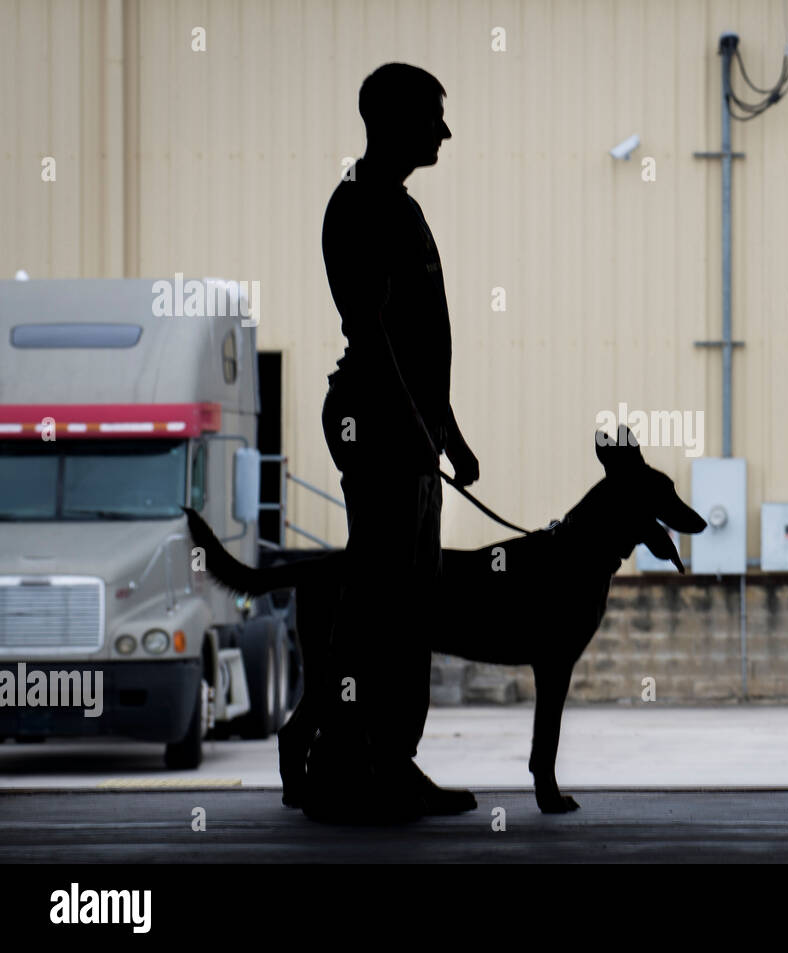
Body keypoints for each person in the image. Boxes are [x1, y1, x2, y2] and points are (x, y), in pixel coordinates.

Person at [307, 63, 479, 822]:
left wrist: (449, 433)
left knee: (409, 602)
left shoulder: (398, 208)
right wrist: (418, 428)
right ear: (392, 119)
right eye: (432, 117)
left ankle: (389, 759)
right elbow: (375, 338)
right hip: (374, 422)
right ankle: (343, 763)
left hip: (405, 427)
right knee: (378, 600)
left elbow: (417, 346)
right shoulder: (360, 208)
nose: (443, 132)